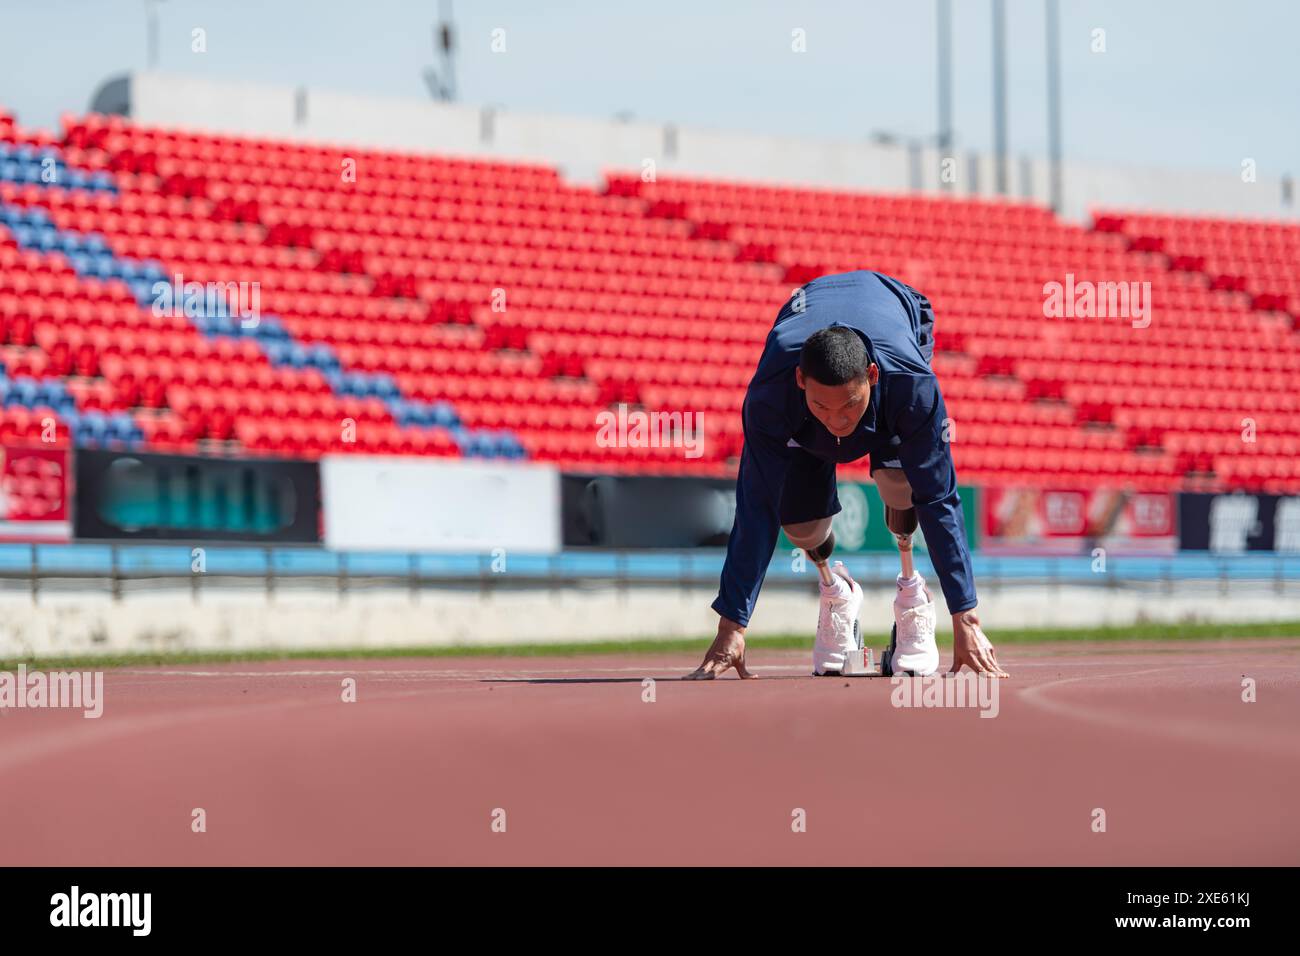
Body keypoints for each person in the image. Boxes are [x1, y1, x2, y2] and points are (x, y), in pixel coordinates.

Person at [685, 270, 1009, 680]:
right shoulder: (771, 395)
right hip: (803, 374)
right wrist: (732, 625)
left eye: (849, 406)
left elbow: (940, 496)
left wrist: (967, 618)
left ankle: (913, 596)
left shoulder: (912, 386)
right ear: (801, 381)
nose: (838, 421)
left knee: (903, 487)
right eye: (824, 407)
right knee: (801, 526)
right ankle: (838, 595)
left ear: (871, 376)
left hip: (894, 318)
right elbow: (757, 505)